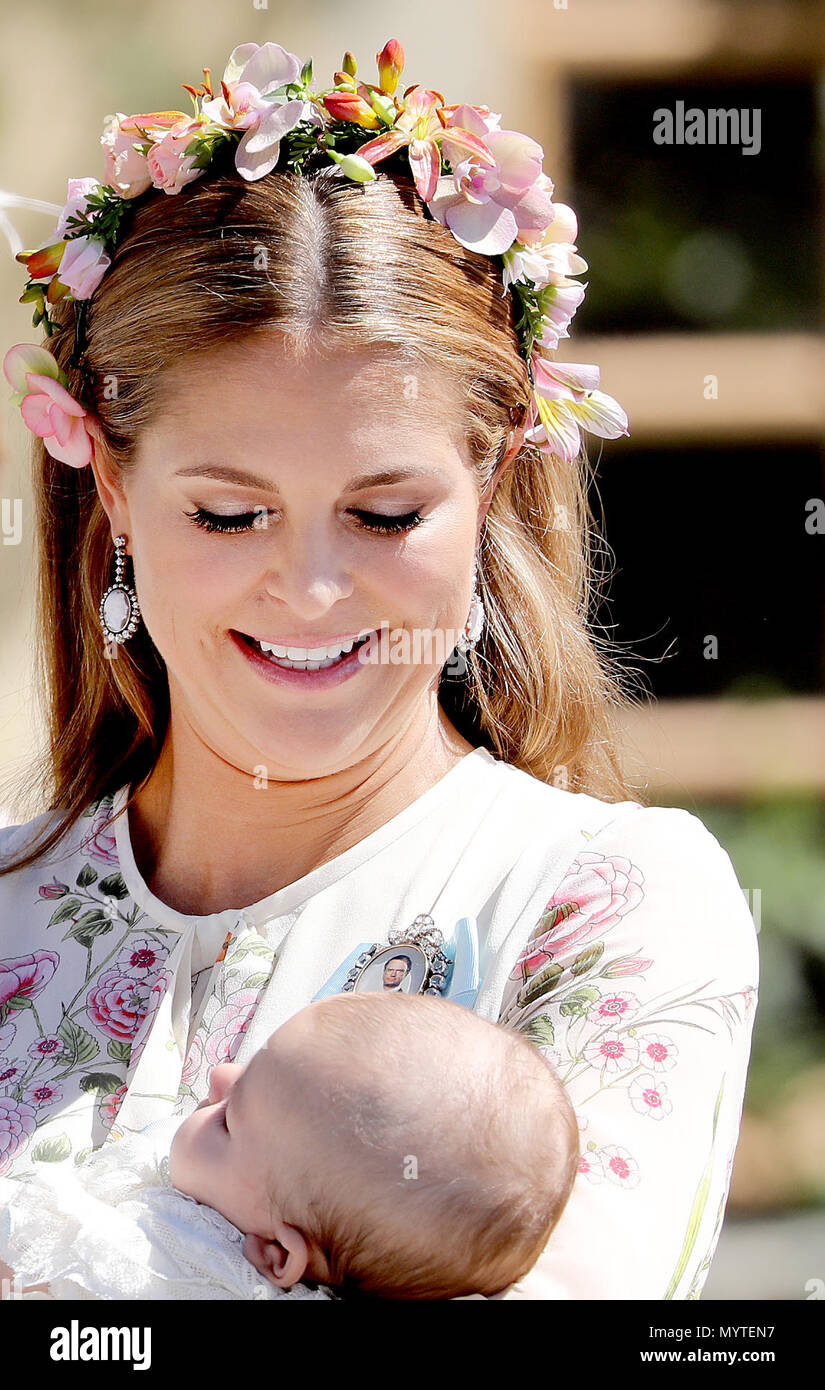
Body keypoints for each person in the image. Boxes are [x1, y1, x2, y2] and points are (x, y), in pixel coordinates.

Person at [0, 36, 758, 1300]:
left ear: (493, 480)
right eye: (229, 516)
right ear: (114, 491)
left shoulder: (607, 909)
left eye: (388, 514)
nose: (308, 590)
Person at [0, 991, 578, 1300]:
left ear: (277, 1255)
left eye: (230, 1120)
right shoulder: (246, 1202)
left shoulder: (173, 1265)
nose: (220, 1074)